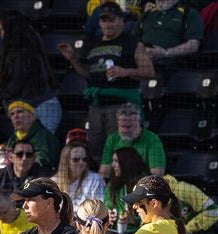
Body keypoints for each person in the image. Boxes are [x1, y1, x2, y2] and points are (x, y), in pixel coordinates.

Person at [59, 2, 155, 163]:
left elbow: (149, 72)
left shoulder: (131, 43)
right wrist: (73, 60)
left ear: (121, 21)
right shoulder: (92, 43)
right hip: (96, 107)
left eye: (111, 20)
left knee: (121, 151)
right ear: (99, 23)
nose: (107, 24)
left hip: (121, 107)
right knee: (97, 150)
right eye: (104, 20)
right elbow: (88, 74)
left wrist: (125, 72)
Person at [0, 12, 62, 132]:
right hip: (41, 108)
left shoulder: (20, 56)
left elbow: (14, 89)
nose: (0, 35)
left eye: (2, 30)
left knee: (38, 148)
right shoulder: (30, 50)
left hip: (41, 110)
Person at [99, 103, 166, 179]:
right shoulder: (112, 139)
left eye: (129, 126)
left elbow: (157, 174)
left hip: (141, 183)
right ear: (118, 122)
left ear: (139, 122)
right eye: (123, 126)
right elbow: (104, 173)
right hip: (117, 183)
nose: (126, 131)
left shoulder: (152, 139)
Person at [137, 0, 204, 71]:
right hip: (140, 63)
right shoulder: (147, 14)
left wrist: (167, 53)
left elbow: (194, 45)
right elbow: (133, 39)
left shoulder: (189, 13)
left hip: (170, 66)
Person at [0, 140, 47, 211]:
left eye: (29, 155)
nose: (24, 158)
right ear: (11, 157)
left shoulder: (41, 179)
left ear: (34, 158)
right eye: (19, 154)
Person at [105, 147, 150, 234]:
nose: (113, 165)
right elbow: (106, 205)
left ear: (126, 163)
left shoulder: (142, 185)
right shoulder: (111, 185)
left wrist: (133, 220)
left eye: (116, 161)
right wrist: (108, 215)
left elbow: (151, 215)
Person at [5, 101, 60, 171]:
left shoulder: (44, 136)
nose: (15, 116)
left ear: (32, 116)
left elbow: (43, 162)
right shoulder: (12, 139)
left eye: (20, 112)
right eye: (12, 114)